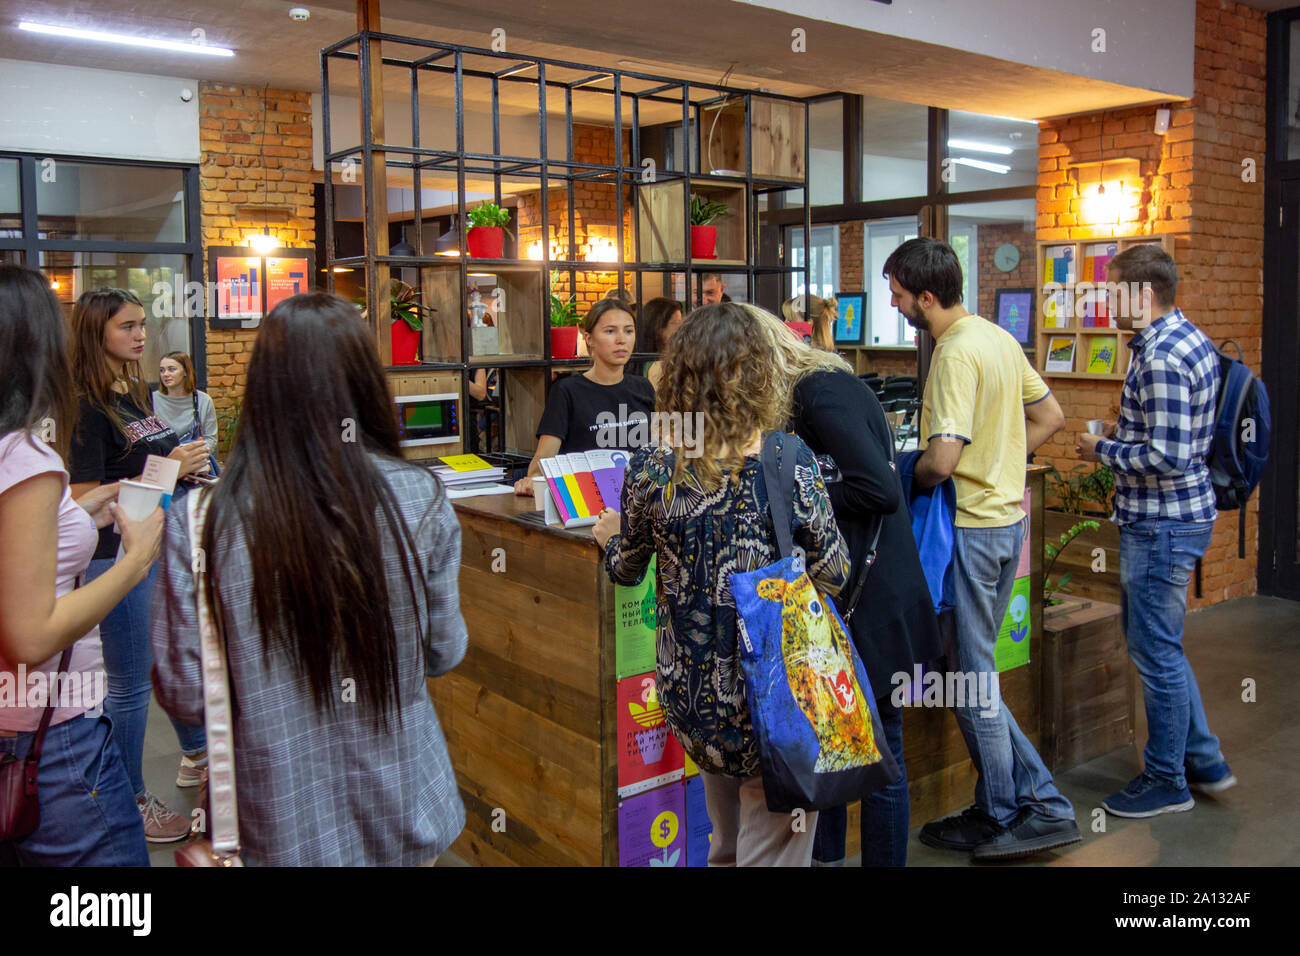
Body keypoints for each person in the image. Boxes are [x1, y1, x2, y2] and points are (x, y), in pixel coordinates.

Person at [151, 293, 467, 865]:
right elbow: (443, 649)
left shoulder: (200, 522)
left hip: (277, 820)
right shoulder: (419, 498)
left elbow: (185, 692)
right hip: (405, 807)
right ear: (366, 381)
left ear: (262, 389)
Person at [593, 302, 850, 866]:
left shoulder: (653, 467)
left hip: (690, 695)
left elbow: (625, 569)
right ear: (760, 373)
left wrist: (608, 536)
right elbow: (835, 569)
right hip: (773, 698)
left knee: (725, 842)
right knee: (774, 846)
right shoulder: (787, 458)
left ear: (680, 371)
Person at [885, 238, 1079, 861]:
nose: (893, 304)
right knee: (973, 674)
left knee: (971, 681)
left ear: (926, 297)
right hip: (1007, 527)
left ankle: (1021, 809)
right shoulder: (996, 337)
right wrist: (1003, 463)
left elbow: (940, 462)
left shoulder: (952, 353)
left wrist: (895, 472)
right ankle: (1010, 802)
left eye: (897, 294)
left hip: (967, 530)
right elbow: (1051, 414)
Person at [747, 306, 943, 867]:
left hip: (871, 599)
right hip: (868, 592)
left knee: (880, 757)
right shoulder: (826, 382)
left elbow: (878, 489)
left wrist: (791, 497)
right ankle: (827, 860)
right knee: (835, 747)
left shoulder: (819, 393)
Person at [0, 264, 164, 866]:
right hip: (49, 722)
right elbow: (30, 633)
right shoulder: (25, 459)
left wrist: (84, 508)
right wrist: (135, 561)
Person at [1076, 244, 1234, 816]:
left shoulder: (1162, 355)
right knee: (1162, 646)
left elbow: (1166, 455)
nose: (1104, 300)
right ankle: (1205, 759)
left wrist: (1102, 449)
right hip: (1178, 518)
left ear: (1142, 294)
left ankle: (1168, 779)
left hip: (1161, 524)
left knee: (1155, 653)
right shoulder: (1189, 337)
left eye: (1112, 289)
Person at [67, 286, 210, 844]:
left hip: (152, 541)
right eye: (128, 326)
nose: (141, 335)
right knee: (129, 684)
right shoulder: (81, 405)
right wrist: (168, 468)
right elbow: (84, 503)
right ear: (97, 331)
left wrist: (182, 474)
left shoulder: (131, 391)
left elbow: (147, 473)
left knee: (163, 658)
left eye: (143, 324)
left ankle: (197, 751)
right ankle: (131, 802)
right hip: (113, 559)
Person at [513, 298, 655, 494]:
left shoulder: (644, 387)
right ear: (589, 339)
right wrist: (534, 481)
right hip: (586, 499)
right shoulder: (568, 391)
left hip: (638, 500)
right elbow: (541, 465)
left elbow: (663, 452)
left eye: (628, 331)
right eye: (610, 331)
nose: (621, 339)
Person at [152, 351, 218, 462]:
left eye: (172, 369)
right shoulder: (151, 400)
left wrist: (194, 457)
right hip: (163, 461)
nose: (165, 374)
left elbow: (210, 438)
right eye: (162, 370)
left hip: (195, 461)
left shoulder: (203, 400)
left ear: (185, 372)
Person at [634, 296, 683, 389]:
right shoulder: (658, 366)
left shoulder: (641, 360)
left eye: (681, 322)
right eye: (675, 323)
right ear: (658, 327)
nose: (680, 328)